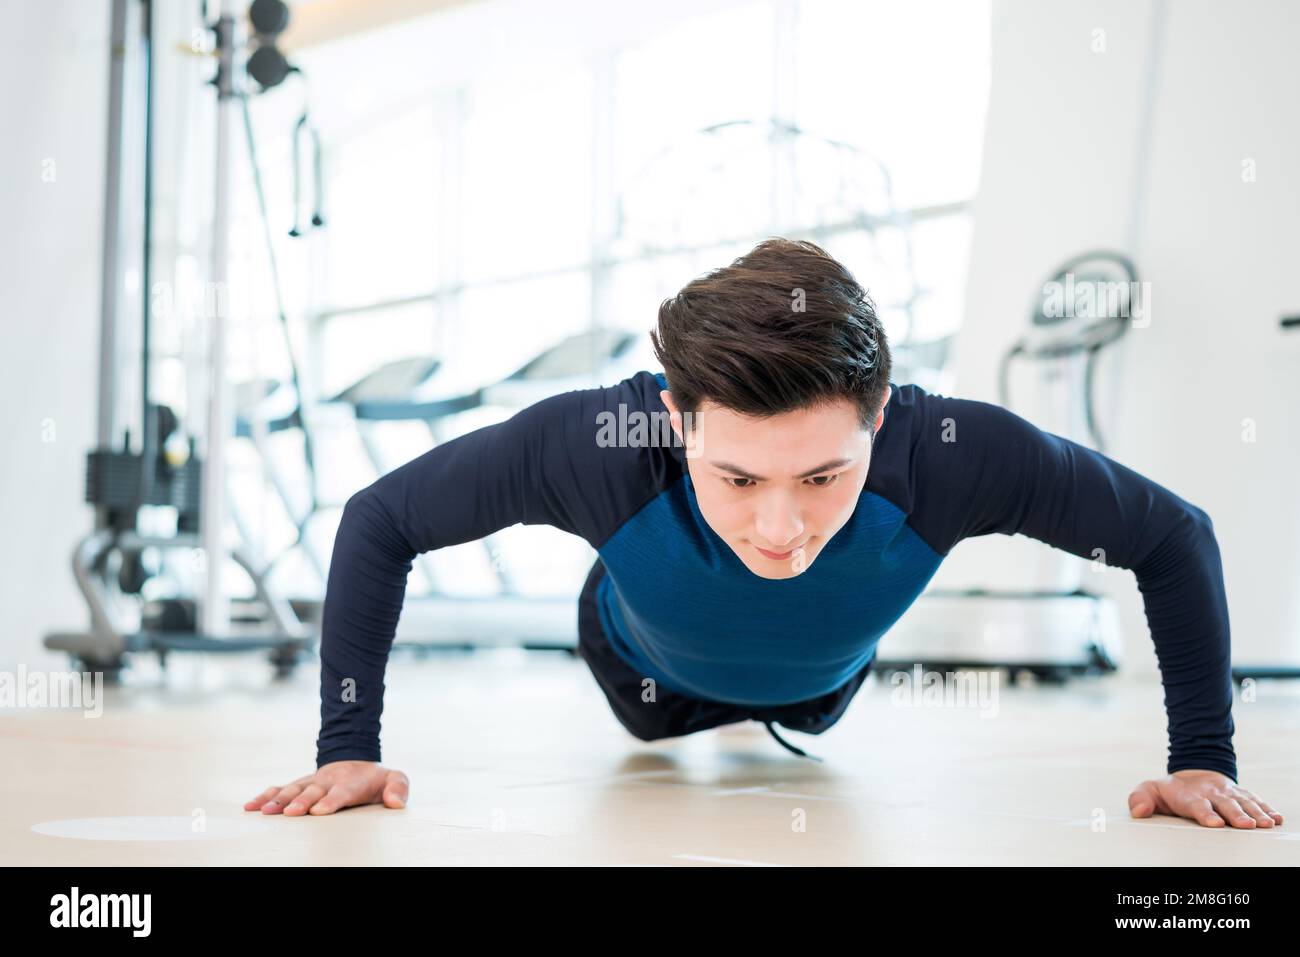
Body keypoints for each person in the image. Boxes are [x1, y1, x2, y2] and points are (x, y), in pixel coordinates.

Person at [244, 238, 1282, 830]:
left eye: (824, 475)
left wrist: (1202, 758)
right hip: (635, 677)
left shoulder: (960, 451)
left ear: (880, 417)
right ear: (674, 416)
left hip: (818, 691)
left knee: (807, 683)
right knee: (659, 729)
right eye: (735, 477)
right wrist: (350, 749)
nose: (780, 532)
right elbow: (379, 520)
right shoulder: (591, 443)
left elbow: (1171, 535)